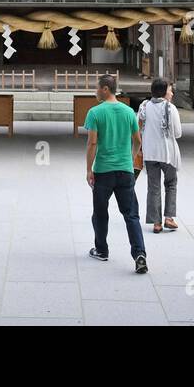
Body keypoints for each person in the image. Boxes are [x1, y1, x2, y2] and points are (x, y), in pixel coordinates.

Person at [84, 74, 148, 273]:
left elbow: (92, 143)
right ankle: (139, 254)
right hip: (125, 171)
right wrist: (129, 158)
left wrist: (88, 169)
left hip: (103, 170)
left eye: (97, 87)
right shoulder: (129, 111)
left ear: (105, 89)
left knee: (100, 213)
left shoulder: (95, 113)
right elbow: (138, 140)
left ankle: (102, 250)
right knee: (131, 215)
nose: (95, 91)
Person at [138, 78, 182, 233]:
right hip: (167, 153)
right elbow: (177, 133)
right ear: (164, 92)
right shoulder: (171, 108)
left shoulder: (144, 106)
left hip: (150, 153)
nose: (171, 92)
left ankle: (156, 223)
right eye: (170, 90)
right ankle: (169, 218)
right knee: (171, 183)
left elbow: (139, 126)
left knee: (153, 187)